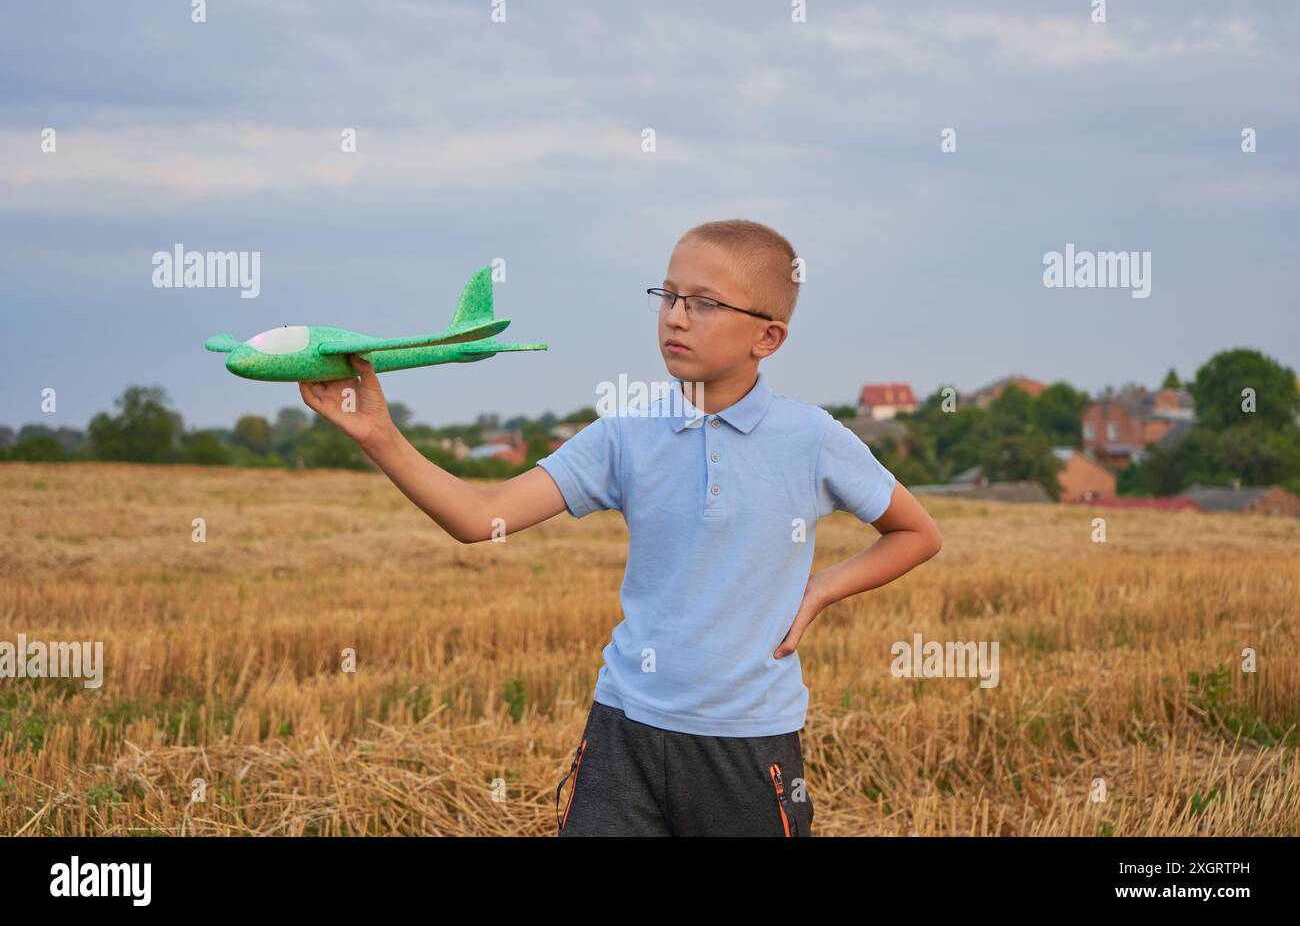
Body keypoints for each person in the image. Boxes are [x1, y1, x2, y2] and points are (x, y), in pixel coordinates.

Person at [300, 218, 943, 836]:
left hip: (748, 745)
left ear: (767, 338)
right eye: (668, 295)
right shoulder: (623, 434)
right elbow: (479, 519)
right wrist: (377, 434)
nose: (676, 316)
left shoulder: (812, 438)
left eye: (705, 303)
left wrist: (820, 590)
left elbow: (917, 533)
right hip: (623, 734)